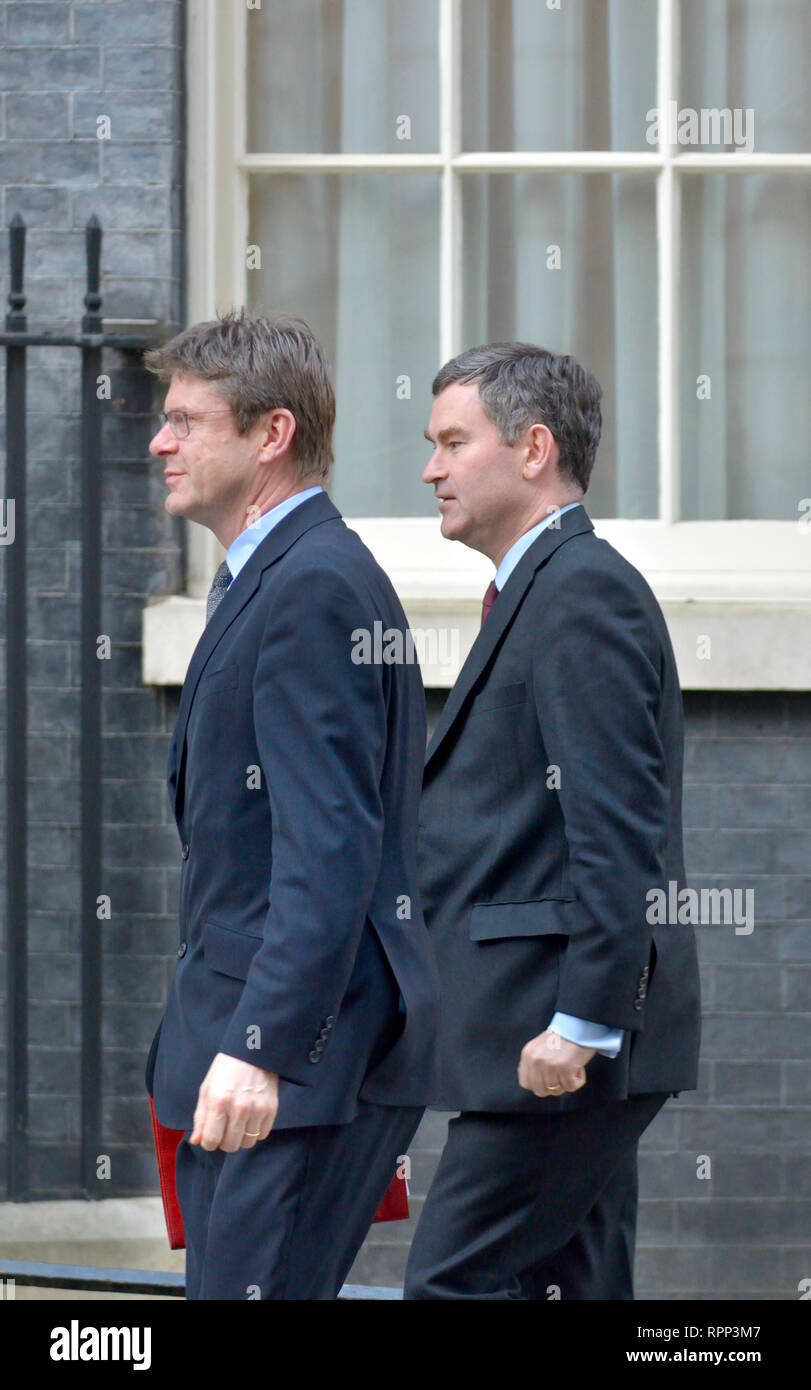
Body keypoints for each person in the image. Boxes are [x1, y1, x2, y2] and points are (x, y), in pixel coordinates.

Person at [143, 310, 439, 1300]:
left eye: (186, 419)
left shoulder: (312, 584)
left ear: (270, 434)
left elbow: (328, 851)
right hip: (260, 1059)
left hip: (289, 1073)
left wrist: (261, 1050)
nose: (160, 441)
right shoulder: (271, 577)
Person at [404, 342, 701, 1301]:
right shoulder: (541, 591)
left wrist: (579, 1024)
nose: (430, 468)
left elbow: (618, 832)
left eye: (453, 441)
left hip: (557, 1049)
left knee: (453, 1286)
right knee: (574, 1288)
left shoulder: (581, 592)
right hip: (542, 1042)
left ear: (533, 449)